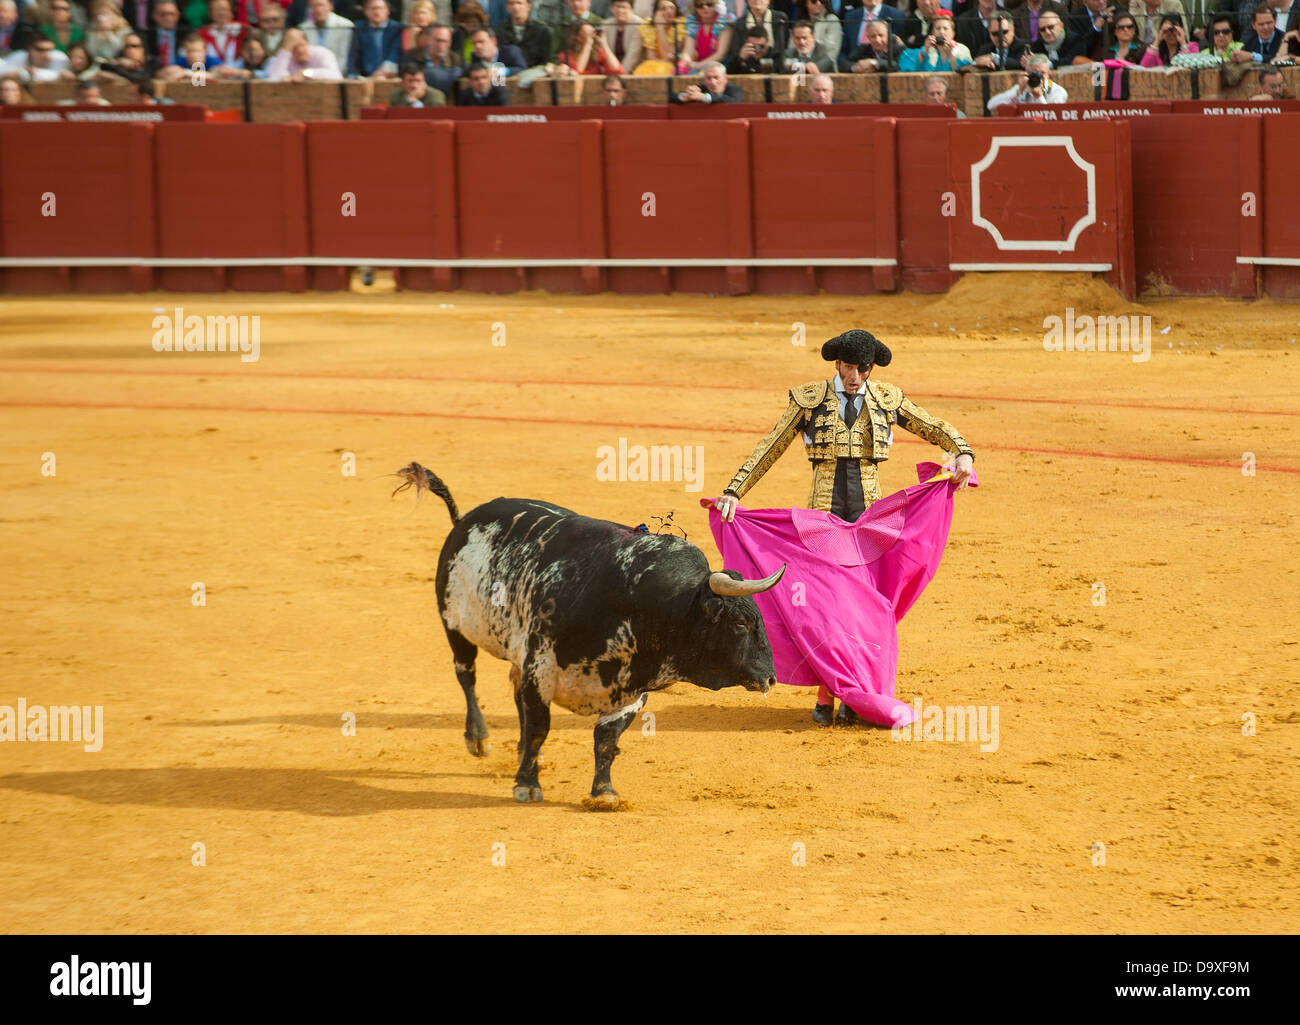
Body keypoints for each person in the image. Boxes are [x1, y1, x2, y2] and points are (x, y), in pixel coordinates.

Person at [713, 330, 975, 726]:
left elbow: (933, 426)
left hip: (871, 520)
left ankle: (848, 695)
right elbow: (771, 446)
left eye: (862, 369)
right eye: (849, 368)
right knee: (827, 609)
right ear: (838, 364)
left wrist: (963, 451)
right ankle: (830, 695)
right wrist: (735, 489)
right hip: (823, 518)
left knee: (863, 610)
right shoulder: (809, 399)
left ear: (870, 369)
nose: (855, 376)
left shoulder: (886, 398)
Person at [987, 50, 1067, 107]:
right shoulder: (1024, 86)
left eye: (1042, 73)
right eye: (1034, 73)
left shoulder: (1058, 92)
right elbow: (991, 105)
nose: (1039, 77)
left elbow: (1051, 118)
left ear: (1048, 74)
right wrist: (1018, 92)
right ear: (1027, 73)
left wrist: (1038, 97)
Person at [264, 23, 341, 76]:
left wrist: (306, 73)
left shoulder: (323, 53)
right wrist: (286, 50)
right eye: (294, 47)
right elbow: (274, 78)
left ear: (307, 42)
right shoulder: (283, 57)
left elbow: (336, 75)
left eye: (301, 45)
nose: (300, 50)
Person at [349, 0, 402, 77]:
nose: (376, 12)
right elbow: (353, 54)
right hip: (364, 76)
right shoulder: (358, 28)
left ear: (388, 10)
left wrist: (385, 70)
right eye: (373, 8)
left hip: (390, 75)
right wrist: (353, 75)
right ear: (365, 11)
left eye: (380, 8)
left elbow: (395, 53)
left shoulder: (397, 28)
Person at [898, 14, 971, 69]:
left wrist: (950, 56)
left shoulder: (962, 50)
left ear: (953, 33)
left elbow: (963, 73)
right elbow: (913, 70)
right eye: (938, 28)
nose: (942, 32)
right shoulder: (925, 51)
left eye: (945, 28)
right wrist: (925, 49)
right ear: (932, 32)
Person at [298, 0, 352, 71]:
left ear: (331, 6)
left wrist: (332, 75)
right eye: (314, 6)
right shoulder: (302, 28)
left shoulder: (346, 25)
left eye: (321, 5)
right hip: (310, 76)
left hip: (338, 75)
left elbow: (344, 57)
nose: (318, 9)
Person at [553, 18, 622, 72]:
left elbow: (616, 69)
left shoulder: (598, 53)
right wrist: (588, 44)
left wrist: (604, 44)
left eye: (592, 32)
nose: (591, 35)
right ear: (577, 36)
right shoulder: (566, 56)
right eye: (586, 32)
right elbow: (578, 70)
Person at [682, 0, 732, 70]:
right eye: (699, 5)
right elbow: (687, 51)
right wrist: (687, 62)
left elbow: (721, 54)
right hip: (696, 65)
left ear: (716, 5)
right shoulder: (693, 23)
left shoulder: (724, 22)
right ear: (695, 8)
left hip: (719, 67)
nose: (705, 7)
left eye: (709, 4)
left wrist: (698, 65)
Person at [635, 0, 681, 72]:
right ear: (656, 12)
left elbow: (667, 55)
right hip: (655, 64)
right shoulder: (648, 26)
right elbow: (650, 56)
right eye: (663, 8)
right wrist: (659, 27)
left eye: (672, 8)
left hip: (674, 66)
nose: (669, 11)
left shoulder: (680, 26)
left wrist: (660, 28)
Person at [672, 56, 740, 99]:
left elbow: (732, 101)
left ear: (725, 78)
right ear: (704, 79)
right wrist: (686, 96)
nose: (712, 82)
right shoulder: (700, 89)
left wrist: (704, 97)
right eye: (708, 78)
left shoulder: (734, 89)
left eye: (716, 77)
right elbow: (672, 98)